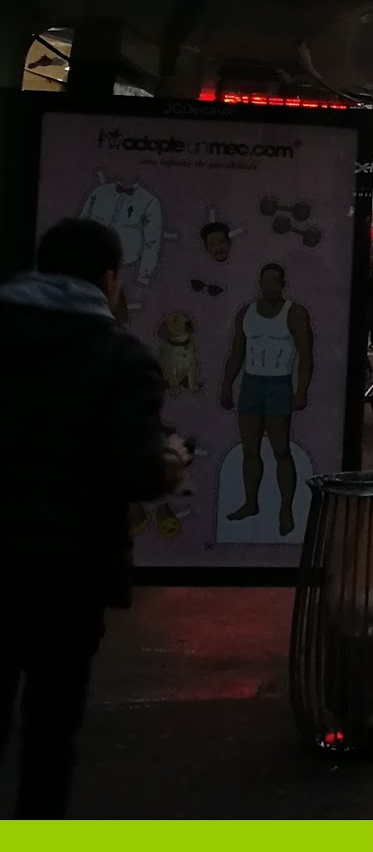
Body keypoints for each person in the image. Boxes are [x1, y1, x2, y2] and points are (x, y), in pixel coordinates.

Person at [0, 218, 188, 817]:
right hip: (68, 570)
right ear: (109, 280)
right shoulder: (120, 356)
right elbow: (137, 470)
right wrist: (171, 461)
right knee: (50, 731)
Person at [218, 263, 314, 536]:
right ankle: (250, 502)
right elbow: (236, 353)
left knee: (281, 450)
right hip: (251, 383)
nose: (268, 286)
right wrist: (227, 386)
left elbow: (306, 357)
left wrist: (301, 390)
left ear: (282, 284)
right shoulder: (246, 313)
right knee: (250, 450)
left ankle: (285, 509)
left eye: (274, 281)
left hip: (278, 383)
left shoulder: (294, 313)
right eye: (264, 281)